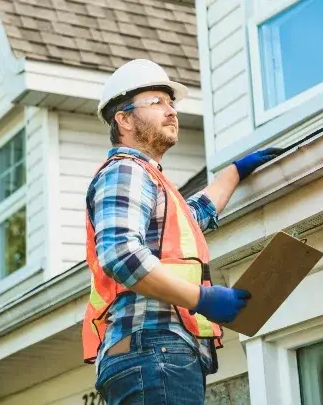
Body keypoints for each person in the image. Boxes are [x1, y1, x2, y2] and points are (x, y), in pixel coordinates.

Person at [81, 59, 283, 405]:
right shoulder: (126, 171)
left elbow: (193, 215)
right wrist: (203, 299)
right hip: (153, 348)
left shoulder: (152, 181)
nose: (171, 111)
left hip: (154, 352)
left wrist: (233, 173)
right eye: (156, 102)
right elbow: (121, 254)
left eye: (171, 102)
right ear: (124, 119)